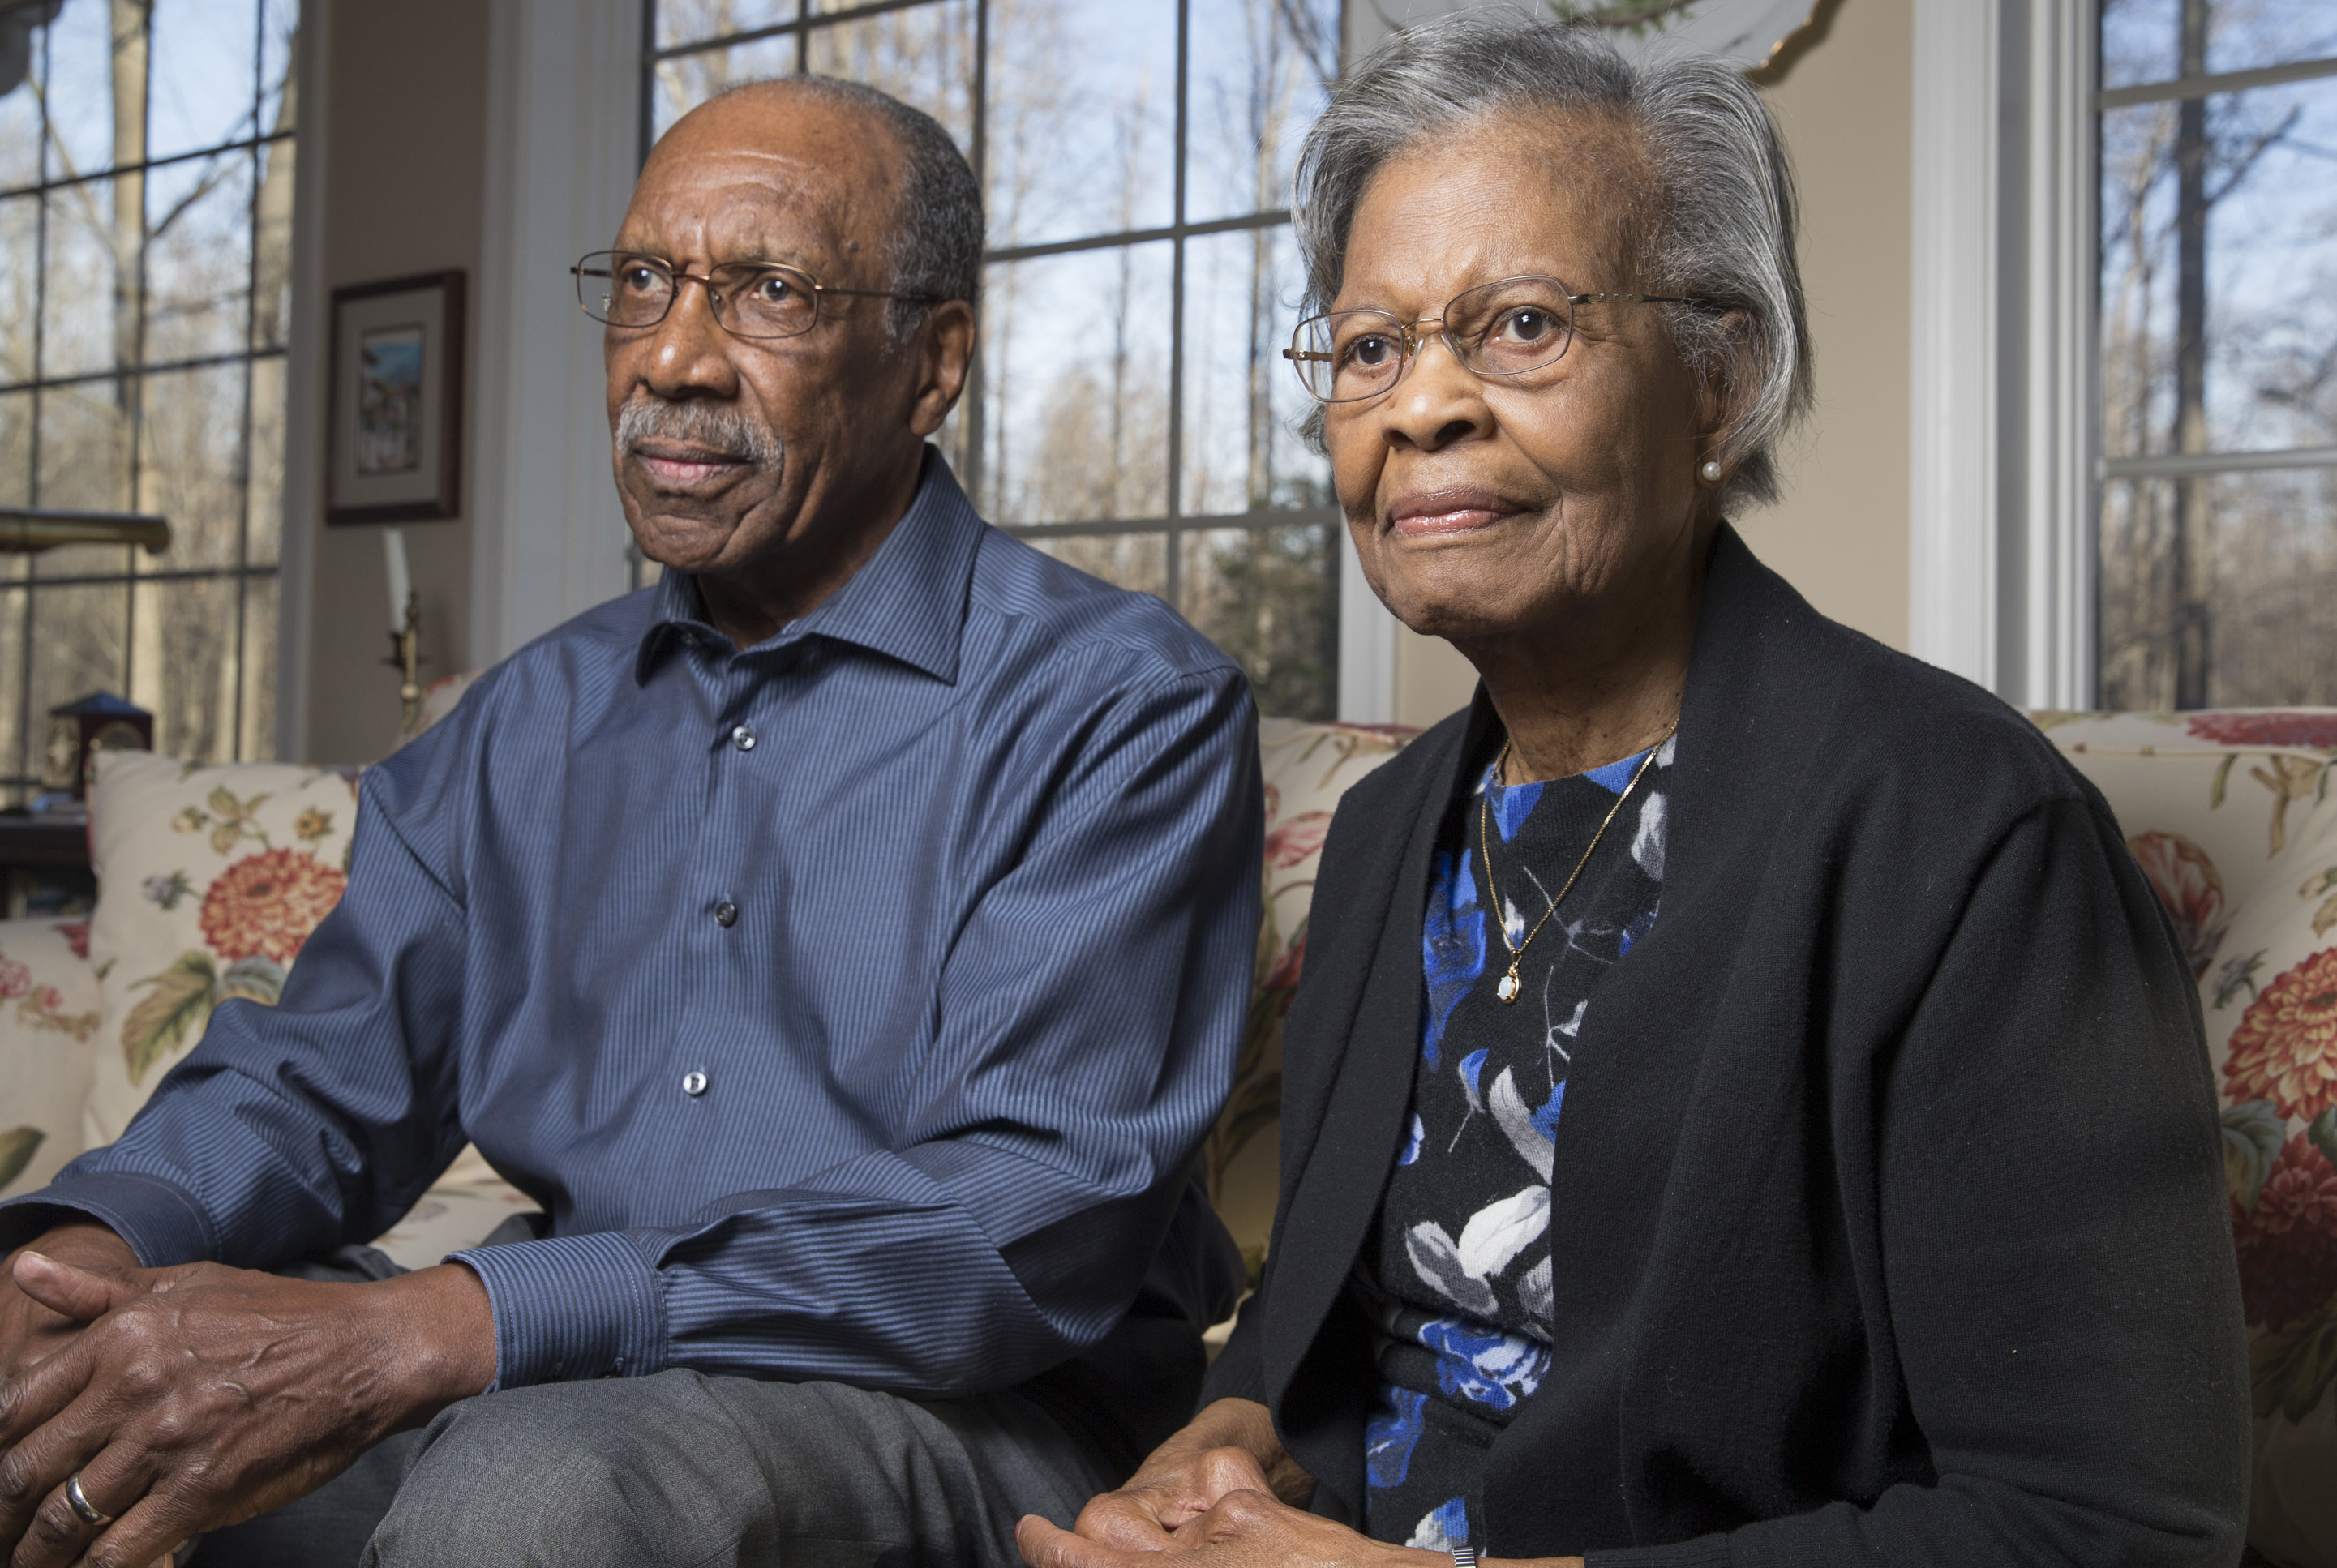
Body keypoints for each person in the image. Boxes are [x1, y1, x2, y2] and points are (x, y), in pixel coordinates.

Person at [1022, 15, 2249, 1568]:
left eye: (1521, 325)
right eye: (1368, 346)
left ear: (1718, 383)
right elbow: (1341, 1320)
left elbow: (2110, 1531)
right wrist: (1233, 1436)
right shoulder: (1396, 829)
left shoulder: (1965, 838)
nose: (1418, 408)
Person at [0, 76, 1258, 1568]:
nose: (671, 356)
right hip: (543, 1363)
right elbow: (310, 1086)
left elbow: (1012, 1228)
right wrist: (81, 1254)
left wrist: (450, 1320)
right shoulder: (522, 726)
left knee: (542, 1489)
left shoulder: (1121, 707)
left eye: (769, 293)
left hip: (977, 1410)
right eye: (646, 282)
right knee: (60, 1405)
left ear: (931, 364)